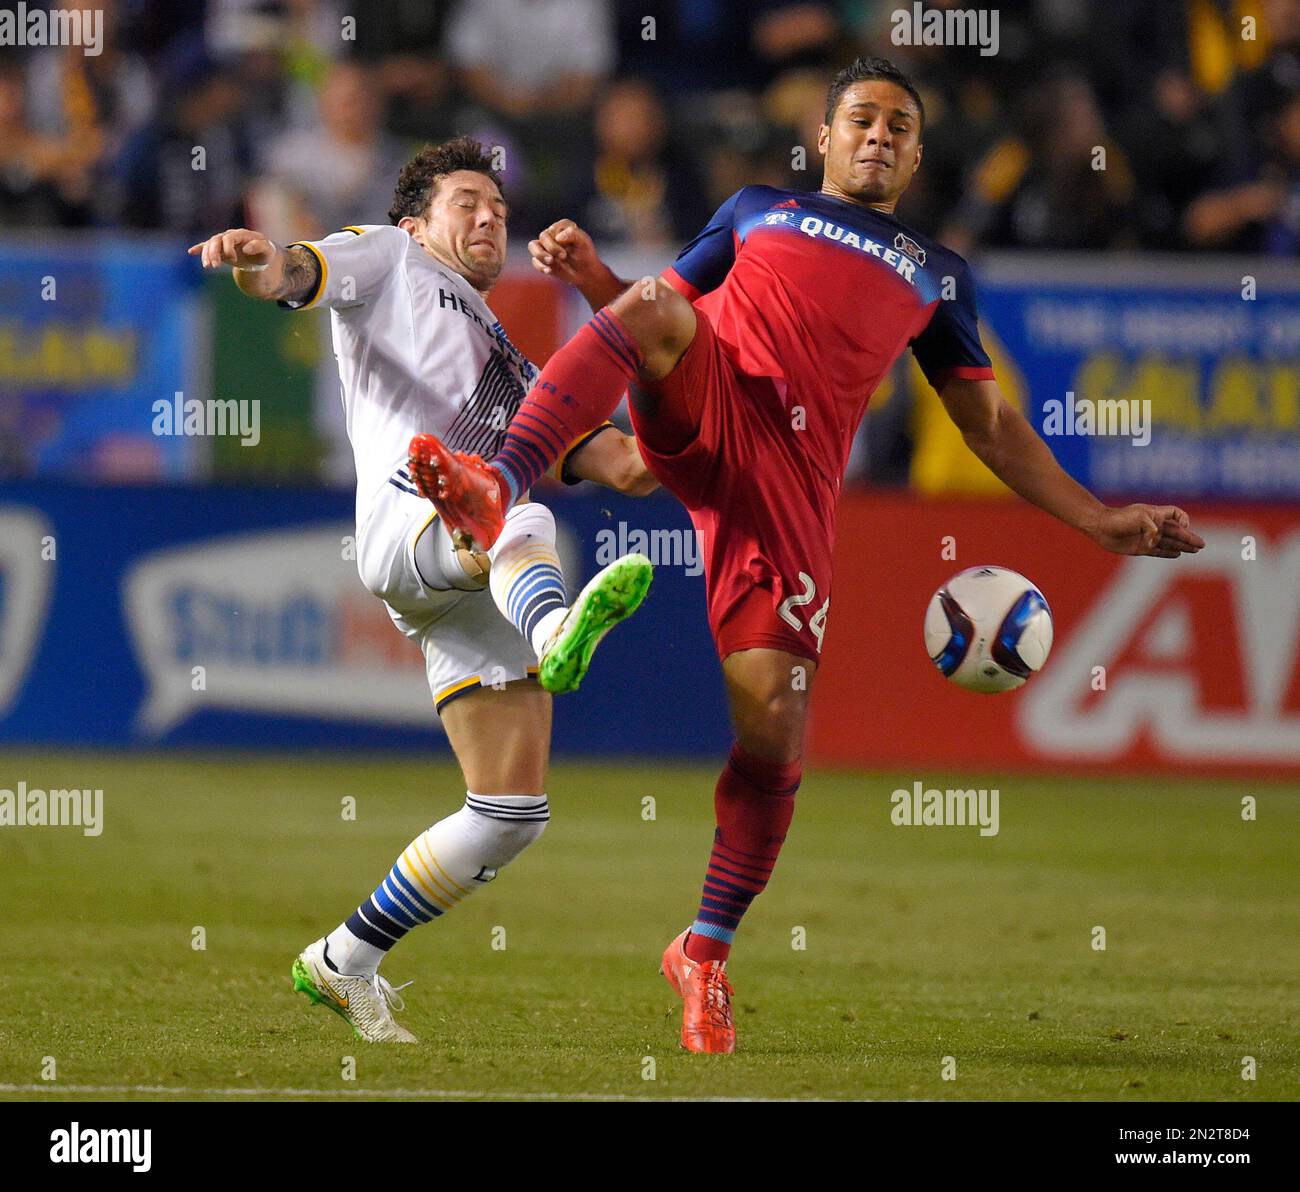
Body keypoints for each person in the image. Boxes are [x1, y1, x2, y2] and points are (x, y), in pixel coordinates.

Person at [406, 59, 1205, 1054]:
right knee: (654, 306)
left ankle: (701, 950)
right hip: (713, 405)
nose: (877, 136)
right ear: (823, 137)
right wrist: (597, 285)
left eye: (898, 127)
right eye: (860, 119)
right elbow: (656, 315)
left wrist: (1099, 521)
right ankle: (502, 480)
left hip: (787, 491)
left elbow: (989, 424)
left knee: (774, 728)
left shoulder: (935, 271)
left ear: (915, 153)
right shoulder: (754, 209)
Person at [189, 136, 656, 1042]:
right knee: (521, 517)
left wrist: (710, 409)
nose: (490, 217)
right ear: (419, 220)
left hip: (468, 579)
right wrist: (257, 261)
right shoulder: (391, 254)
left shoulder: (516, 367)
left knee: (511, 812)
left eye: (500, 208)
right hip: (409, 521)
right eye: (468, 201)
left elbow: (630, 466)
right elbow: (293, 271)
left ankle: (340, 960)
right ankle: (557, 625)